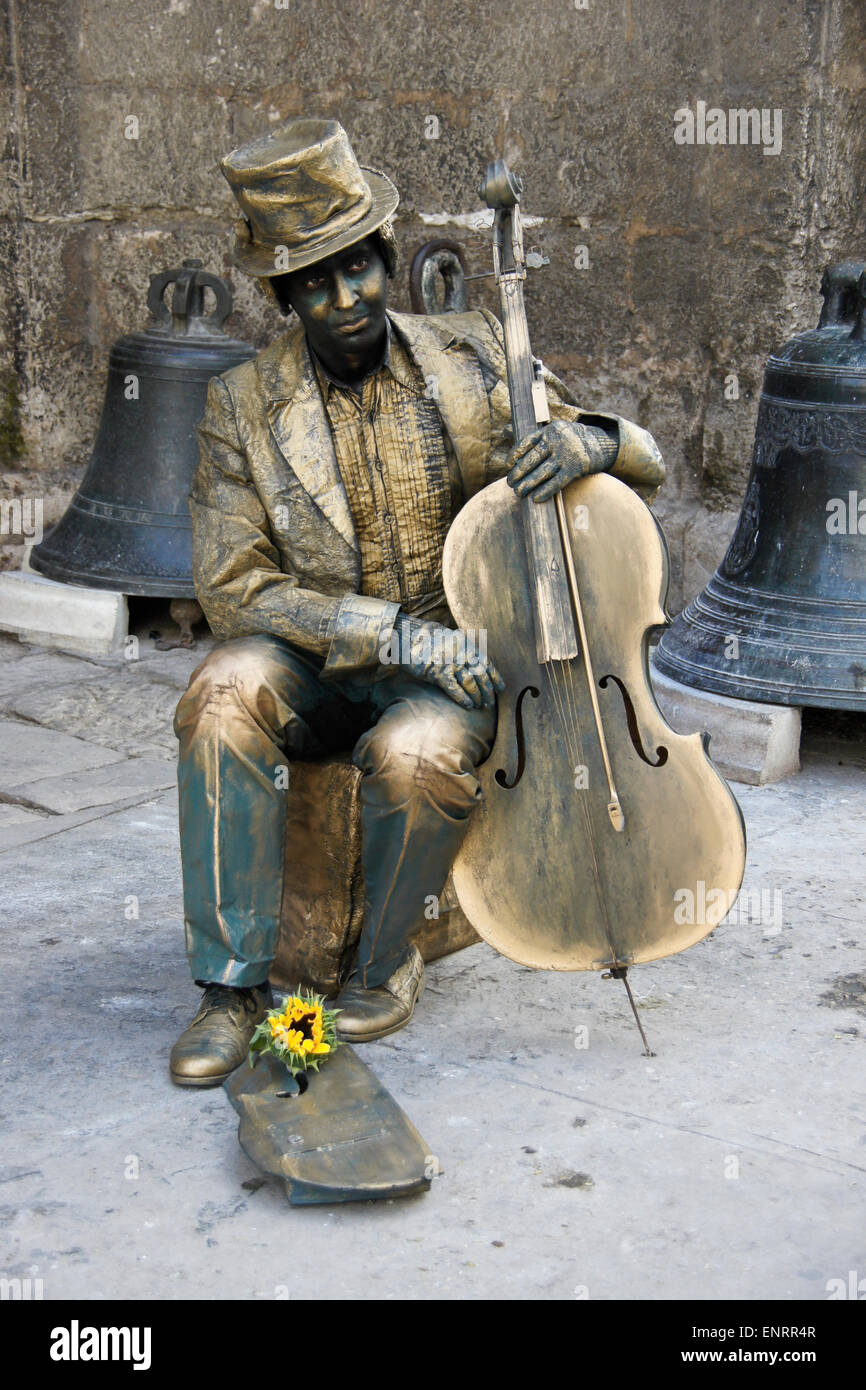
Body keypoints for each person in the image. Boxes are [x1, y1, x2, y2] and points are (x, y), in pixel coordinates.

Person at [169, 118, 665, 1086]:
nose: (343, 295)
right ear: (284, 295)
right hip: (317, 660)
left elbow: (636, 455)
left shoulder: (470, 357)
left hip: (451, 666)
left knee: (420, 750)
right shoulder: (239, 406)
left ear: (384, 258)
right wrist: (383, 633)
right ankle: (229, 990)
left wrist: (587, 445)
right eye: (313, 280)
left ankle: (385, 955)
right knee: (222, 691)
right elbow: (232, 589)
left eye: (356, 266)